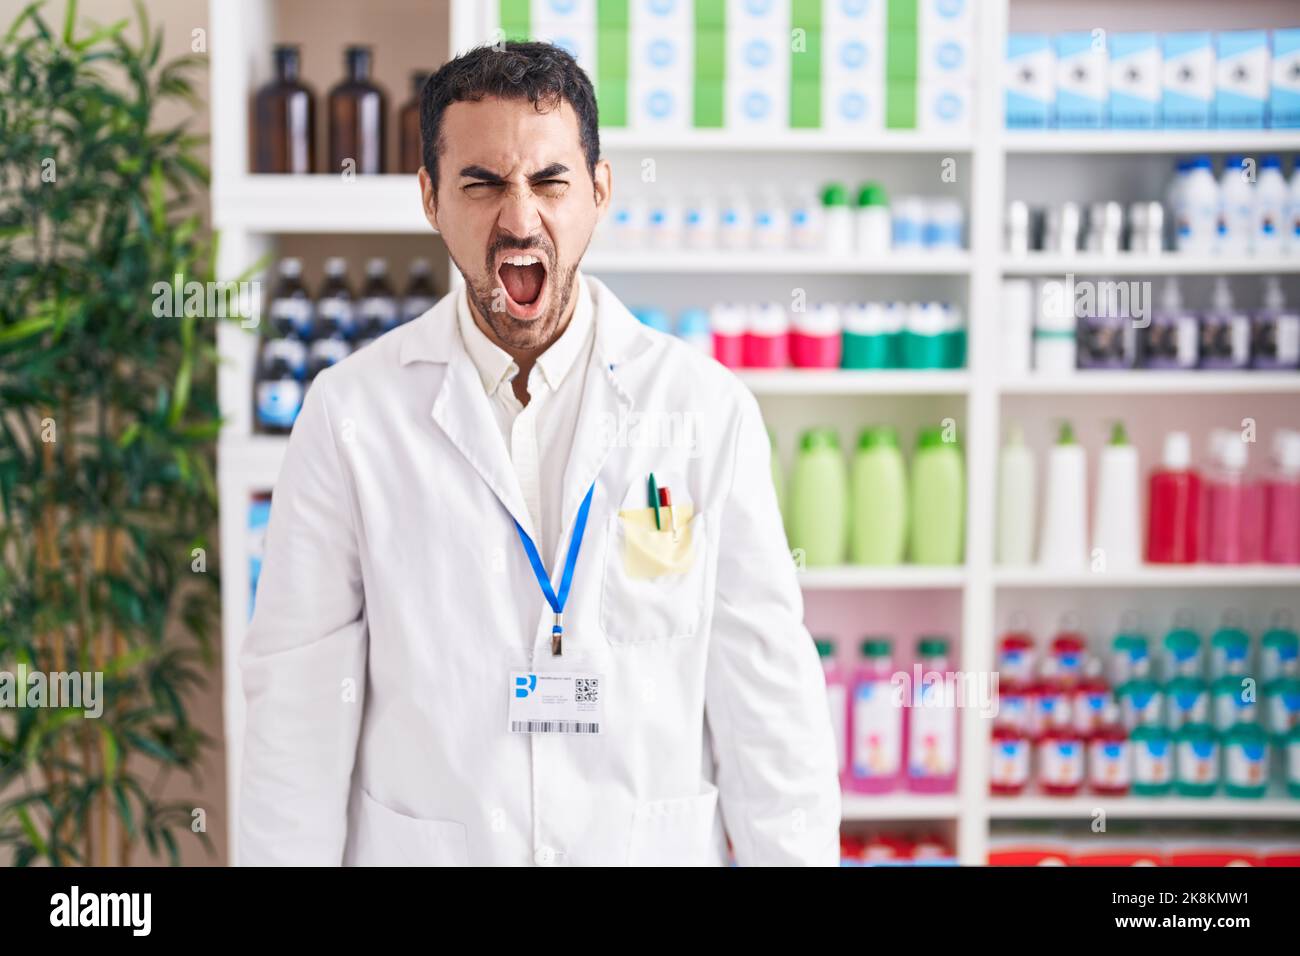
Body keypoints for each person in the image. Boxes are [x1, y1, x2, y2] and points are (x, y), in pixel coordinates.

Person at [238, 41, 840, 866]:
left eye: (550, 181)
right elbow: (295, 715)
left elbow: (771, 711)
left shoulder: (704, 411)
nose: (518, 218)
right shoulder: (351, 415)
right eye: (481, 184)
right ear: (429, 198)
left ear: (599, 192)